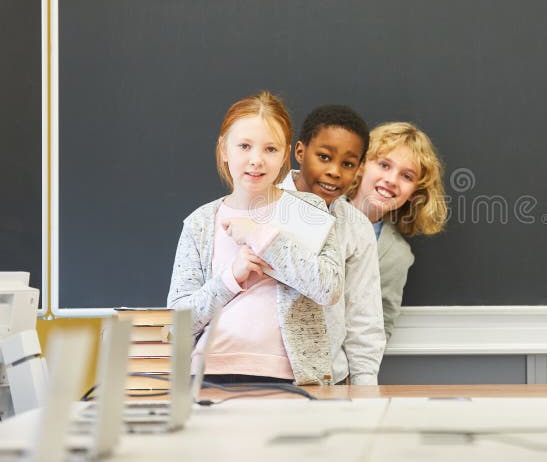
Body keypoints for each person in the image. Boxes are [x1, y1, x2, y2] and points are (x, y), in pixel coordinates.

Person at [167, 91, 343, 386]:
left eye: (270, 149)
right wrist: (230, 278)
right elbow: (178, 324)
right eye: (244, 146)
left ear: (285, 153)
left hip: (290, 379)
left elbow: (328, 288)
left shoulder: (307, 210)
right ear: (224, 149)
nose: (256, 160)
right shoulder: (200, 223)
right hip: (209, 376)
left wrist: (261, 238)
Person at [279, 105, 385, 385]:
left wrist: (365, 387)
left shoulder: (357, 228)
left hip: (328, 379)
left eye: (348, 164)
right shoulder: (265, 204)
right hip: (264, 376)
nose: (334, 172)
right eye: (324, 157)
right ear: (300, 152)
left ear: (360, 168)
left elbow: (363, 316)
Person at [349, 122, 447, 342]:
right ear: (362, 164)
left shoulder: (396, 255)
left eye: (407, 176)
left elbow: (379, 327)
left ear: (414, 193)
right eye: (384, 165)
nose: (391, 180)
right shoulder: (318, 211)